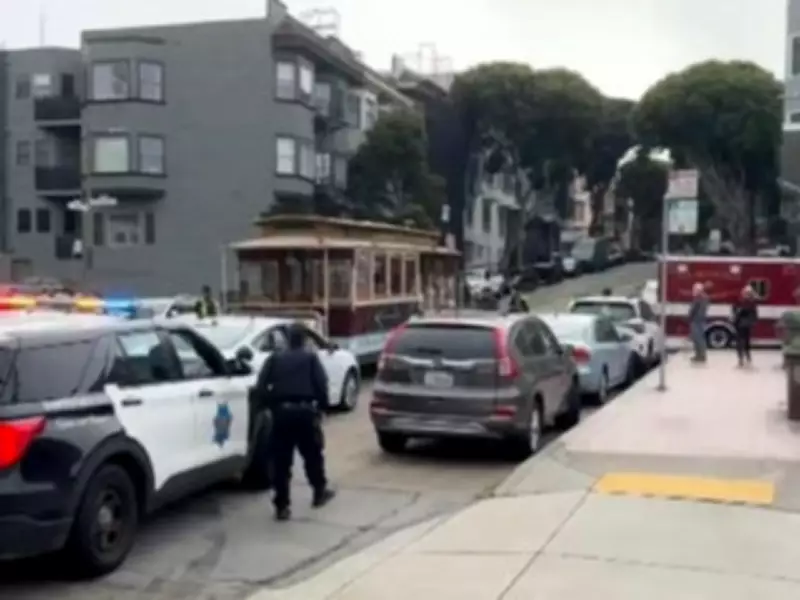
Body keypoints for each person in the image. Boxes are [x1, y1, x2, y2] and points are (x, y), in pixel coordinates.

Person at [253, 322, 336, 521]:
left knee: (281, 462)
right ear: (304, 340)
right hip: (306, 412)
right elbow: (321, 384)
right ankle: (319, 492)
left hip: (282, 414)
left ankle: (282, 505)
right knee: (312, 455)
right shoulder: (310, 358)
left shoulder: (275, 359)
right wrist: (322, 408)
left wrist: (271, 405)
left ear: (287, 340)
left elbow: (261, 386)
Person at [732, 285, 758, 367]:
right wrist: (753, 322)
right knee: (746, 341)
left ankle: (741, 359)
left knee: (740, 342)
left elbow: (735, 309)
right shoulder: (752, 302)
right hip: (748, 324)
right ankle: (747, 358)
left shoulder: (741, 301)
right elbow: (755, 314)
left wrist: (736, 314)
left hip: (740, 324)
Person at [688, 282, 709, 363]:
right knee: (699, 338)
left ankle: (700, 356)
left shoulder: (699, 298)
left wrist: (690, 317)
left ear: (698, 290)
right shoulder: (704, 297)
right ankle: (700, 355)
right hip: (700, 320)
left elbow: (694, 310)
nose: (693, 291)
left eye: (694, 289)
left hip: (696, 320)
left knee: (698, 339)